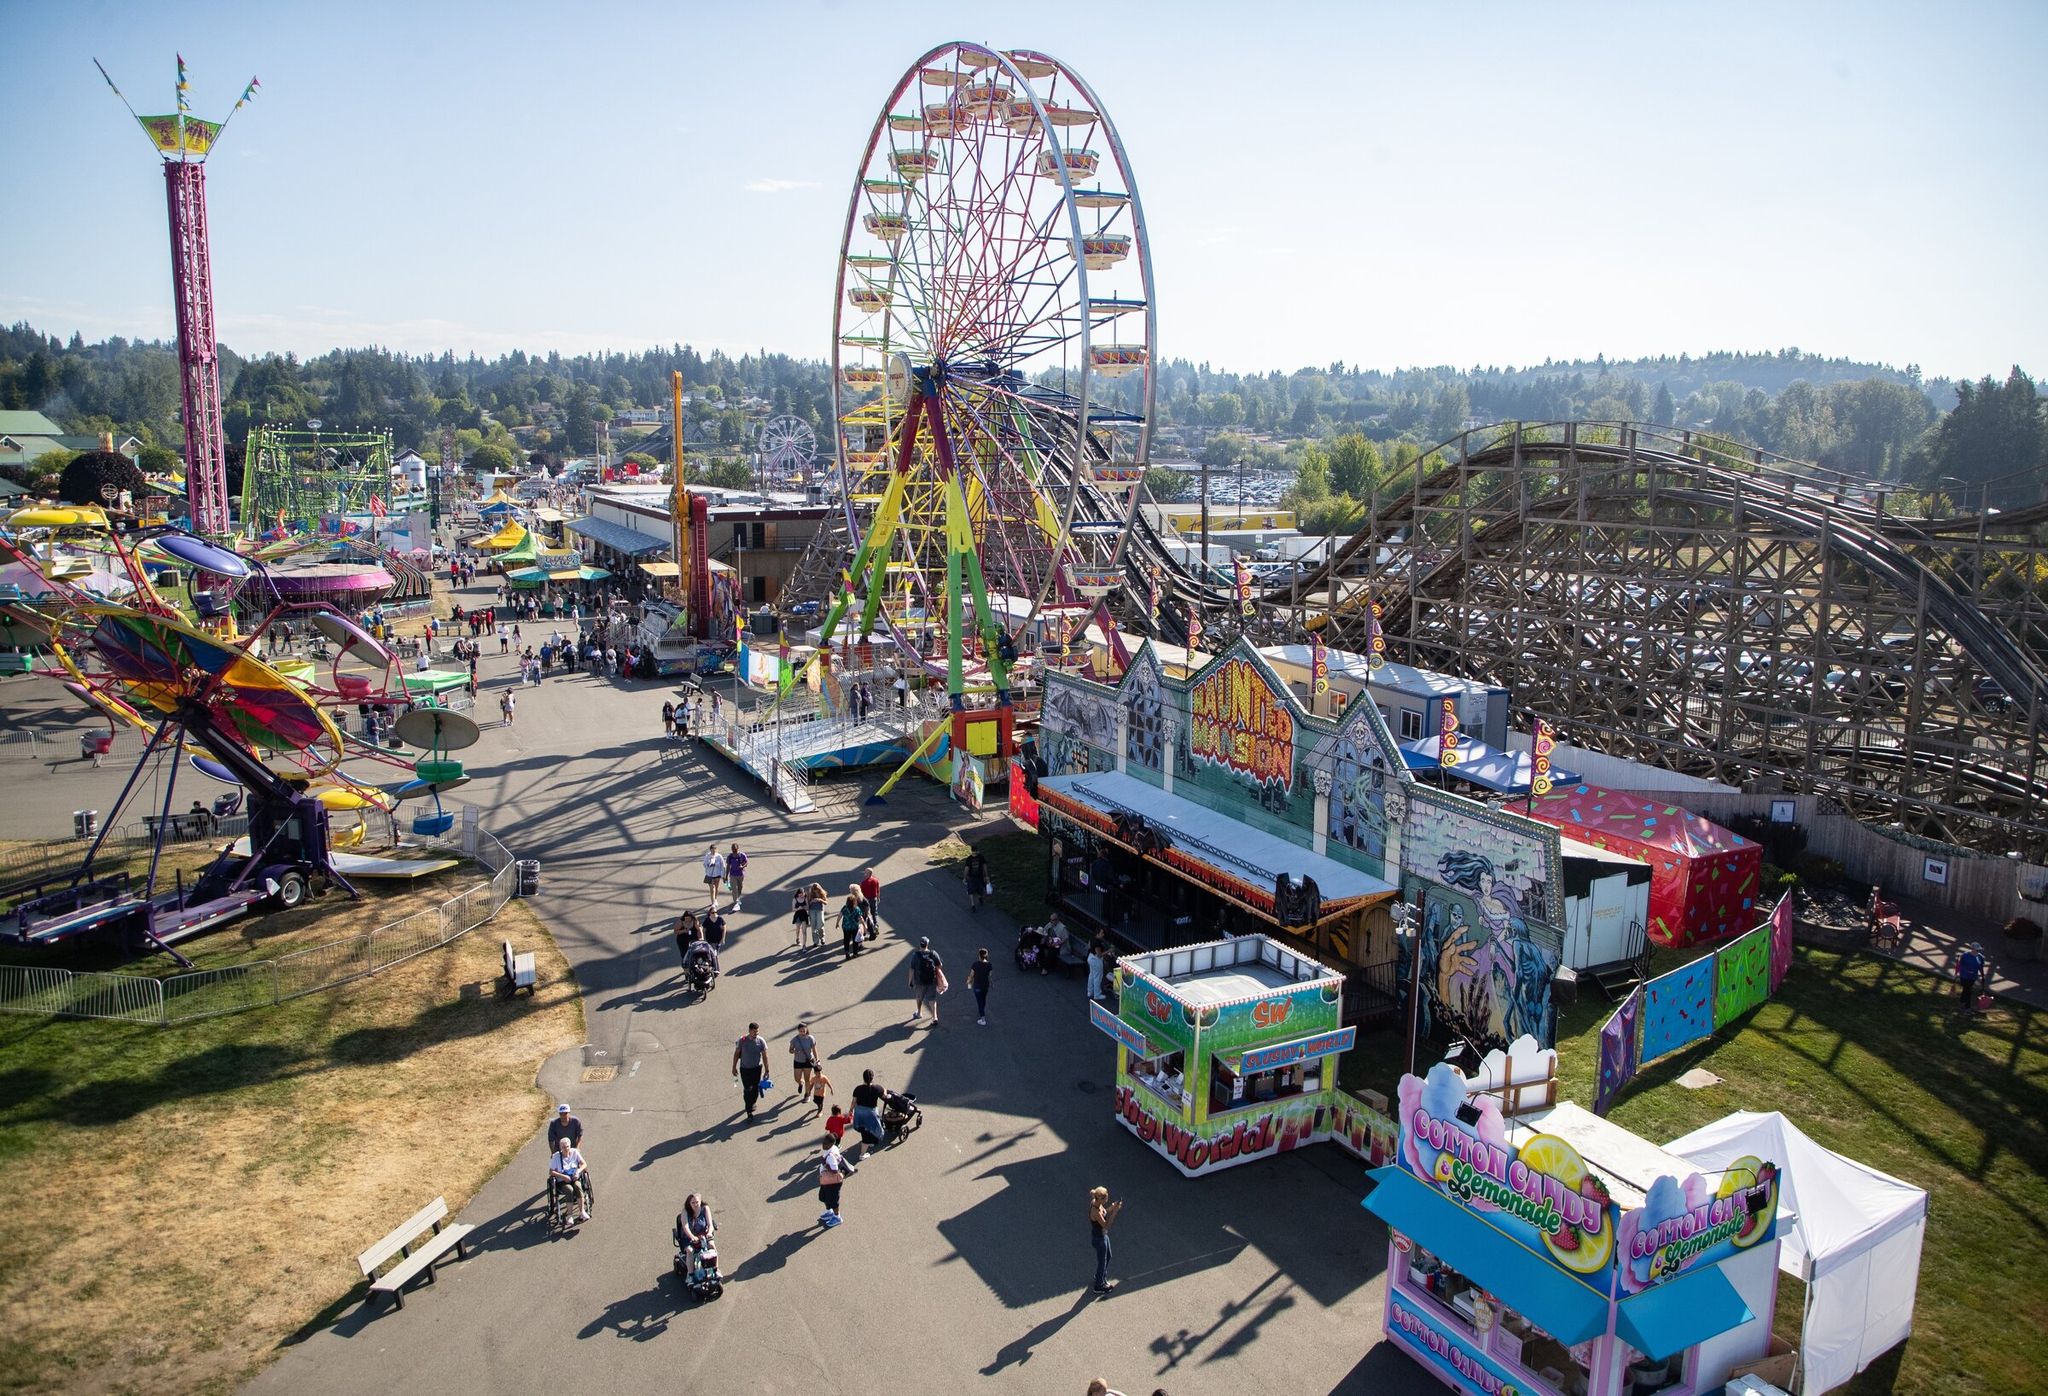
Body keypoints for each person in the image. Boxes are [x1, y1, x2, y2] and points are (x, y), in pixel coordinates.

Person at [1088, 1185, 1124, 1294]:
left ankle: (1100, 1275)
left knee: (1108, 1256)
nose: (1107, 1199)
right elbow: (1106, 1225)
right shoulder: (1095, 1211)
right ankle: (1099, 1285)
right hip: (1099, 1239)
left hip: (1102, 1236)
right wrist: (1115, 1212)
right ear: (1100, 1198)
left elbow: (1105, 1212)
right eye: (1106, 1198)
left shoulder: (1097, 1203)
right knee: (1102, 1262)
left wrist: (1112, 1208)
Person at [731, 1022, 769, 1120]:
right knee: (748, 1089)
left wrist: (767, 1070)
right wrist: (734, 1067)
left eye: (757, 1031)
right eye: (754, 1031)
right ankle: (749, 1111)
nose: (756, 1033)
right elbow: (736, 1054)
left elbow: (765, 1056)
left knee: (755, 1089)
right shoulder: (742, 1040)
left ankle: (752, 1102)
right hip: (745, 1069)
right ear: (749, 1030)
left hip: (757, 1068)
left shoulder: (761, 1041)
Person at [550, 1136, 591, 1222]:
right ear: (560, 1147)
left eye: (567, 1146)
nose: (566, 1149)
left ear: (570, 1145)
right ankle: (569, 1215)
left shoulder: (575, 1152)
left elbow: (584, 1164)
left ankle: (582, 1211)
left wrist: (578, 1171)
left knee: (578, 1186)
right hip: (563, 1181)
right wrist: (563, 1176)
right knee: (569, 1190)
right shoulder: (556, 1157)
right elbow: (551, 1172)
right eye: (564, 1147)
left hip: (574, 1178)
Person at [817, 1133, 852, 1228]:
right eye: (823, 1142)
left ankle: (837, 1217)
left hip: (832, 1182)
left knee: (833, 1201)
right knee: (823, 1197)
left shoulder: (831, 1155)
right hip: (826, 1180)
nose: (823, 1145)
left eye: (825, 1143)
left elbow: (835, 1170)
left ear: (830, 1144)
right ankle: (829, 1211)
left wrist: (825, 1164)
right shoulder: (833, 1148)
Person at [908, 936, 945, 1024]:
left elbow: (912, 969)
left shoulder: (915, 955)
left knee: (919, 997)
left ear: (920, 944)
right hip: (932, 980)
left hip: (919, 981)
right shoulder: (933, 953)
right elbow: (940, 965)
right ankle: (935, 1017)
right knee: (932, 999)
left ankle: (919, 1012)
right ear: (927, 944)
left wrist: (910, 981)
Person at [850, 1070, 886, 1157]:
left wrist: (851, 1110)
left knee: (864, 1130)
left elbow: (854, 1101)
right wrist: (885, 1091)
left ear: (863, 1078)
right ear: (872, 1078)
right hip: (871, 1114)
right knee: (868, 1133)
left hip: (860, 1114)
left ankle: (869, 1142)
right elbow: (885, 1096)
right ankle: (862, 1154)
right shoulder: (877, 1088)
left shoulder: (858, 1089)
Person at [678, 1192, 715, 1272]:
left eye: (697, 1202)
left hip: (703, 1235)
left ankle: (715, 1269)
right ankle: (690, 1274)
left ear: (700, 1201)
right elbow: (685, 1227)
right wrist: (692, 1237)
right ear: (689, 1203)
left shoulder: (705, 1208)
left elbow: (710, 1224)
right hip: (688, 1237)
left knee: (711, 1245)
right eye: (693, 1203)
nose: (695, 1204)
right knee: (690, 1250)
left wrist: (709, 1232)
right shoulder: (685, 1211)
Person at [789, 1021, 819, 1097]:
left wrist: (817, 1060)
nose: (802, 1032)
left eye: (804, 1031)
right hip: (798, 1061)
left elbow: (814, 1049)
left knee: (807, 1079)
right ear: (798, 1031)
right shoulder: (794, 1040)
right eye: (801, 1031)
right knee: (797, 1078)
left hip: (808, 1061)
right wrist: (795, 1051)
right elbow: (790, 1050)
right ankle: (800, 1083)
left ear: (806, 1030)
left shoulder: (810, 1038)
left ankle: (807, 1094)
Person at [1957, 942, 1988, 1008]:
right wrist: (1957, 973)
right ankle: (1966, 1005)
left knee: (1967, 989)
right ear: (1972, 949)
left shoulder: (1980, 957)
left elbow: (1981, 967)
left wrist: (1982, 976)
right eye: (1976, 950)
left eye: (1979, 950)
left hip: (1972, 977)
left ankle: (1963, 1002)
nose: (1977, 952)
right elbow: (1959, 964)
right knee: (1967, 989)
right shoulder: (1965, 955)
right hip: (1964, 976)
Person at [839, 891, 867, 960]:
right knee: (855, 940)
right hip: (854, 927)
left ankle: (847, 952)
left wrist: (837, 923)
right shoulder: (857, 909)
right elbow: (861, 918)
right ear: (855, 902)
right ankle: (855, 953)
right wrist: (864, 925)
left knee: (846, 940)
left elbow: (840, 915)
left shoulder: (844, 908)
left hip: (846, 927)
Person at [968, 947, 993, 1026]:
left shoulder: (975, 964)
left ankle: (983, 1019)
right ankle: (982, 1010)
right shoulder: (989, 965)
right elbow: (990, 975)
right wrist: (991, 983)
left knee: (979, 1002)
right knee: (983, 999)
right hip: (986, 986)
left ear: (979, 955)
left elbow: (971, 975)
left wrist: (969, 983)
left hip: (977, 986)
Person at [859, 867, 883, 936]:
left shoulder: (863, 883)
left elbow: (861, 894)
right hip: (874, 899)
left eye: (865, 872)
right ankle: (876, 926)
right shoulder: (876, 880)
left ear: (868, 874)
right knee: (874, 913)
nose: (864, 873)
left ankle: (868, 928)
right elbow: (878, 890)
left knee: (867, 914)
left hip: (867, 900)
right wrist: (878, 897)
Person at [725, 843, 748, 910]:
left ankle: (737, 898)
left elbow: (746, 862)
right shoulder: (730, 856)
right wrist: (726, 876)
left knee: (740, 887)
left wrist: (742, 866)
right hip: (732, 875)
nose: (734, 851)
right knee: (734, 889)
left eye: (735, 849)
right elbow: (728, 866)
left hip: (741, 874)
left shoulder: (742, 855)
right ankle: (736, 901)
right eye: (733, 849)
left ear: (738, 848)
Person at [1087, 935, 1110, 1003]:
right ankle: (1097, 994)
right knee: (1098, 977)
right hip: (1096, 960)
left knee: (1091, 975)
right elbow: (1099, 955)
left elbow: (1088, 946)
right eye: (1102, 933)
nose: (1103, 934)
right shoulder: (1097, 943)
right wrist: (1109, 951)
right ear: (1098, 933)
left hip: (1090, 957)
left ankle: (1090, 992)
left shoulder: (1092, 938)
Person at [806, 882, 828, 948]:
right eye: (814, 890)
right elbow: (807, 904)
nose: (815, 892)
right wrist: (811, 901)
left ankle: (822, 937)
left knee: (820, 925)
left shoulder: (822, 893)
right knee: (813, 926)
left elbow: (826, 902)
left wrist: (820, 900)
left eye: (817, 890)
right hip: (812, 911)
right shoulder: (810, 894)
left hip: (820, 910)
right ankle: (815, 941)